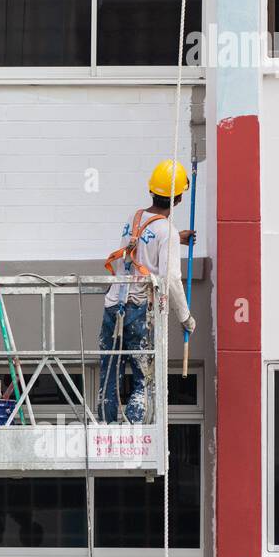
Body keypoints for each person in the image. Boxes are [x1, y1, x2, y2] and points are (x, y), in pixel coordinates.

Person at [98, 159, 195, 425]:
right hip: (139, 311)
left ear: (152, 191)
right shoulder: (168, 232)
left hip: (113, 304)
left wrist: (176, 238)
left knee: (109, 374)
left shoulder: (135, 218)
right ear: (177, 199)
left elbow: (136, 250)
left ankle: (106, 430)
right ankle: (134, 434)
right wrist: (186, 317)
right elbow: (171, 278)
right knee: (144, 376)